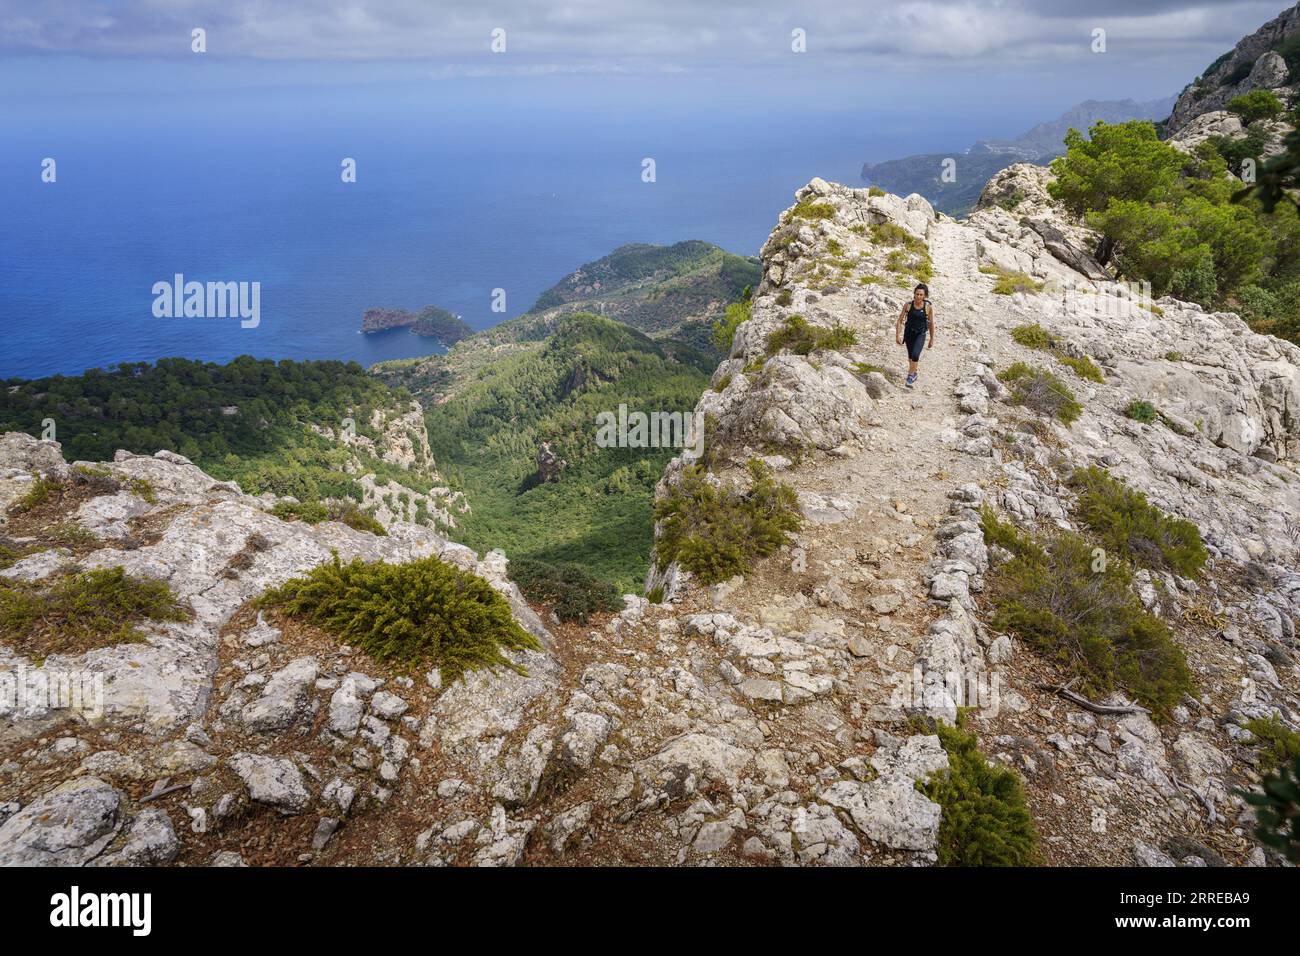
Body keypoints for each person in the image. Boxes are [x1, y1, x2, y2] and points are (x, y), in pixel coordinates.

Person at [895, 283, 934, 388]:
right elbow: (899, 321)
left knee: (916, 355)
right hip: (909, 333)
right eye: (917, 294)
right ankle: (914, 372)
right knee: (911, 357)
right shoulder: (908, 305)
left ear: (924, 296)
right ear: (914, 294)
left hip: (920, 334)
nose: (919, 297)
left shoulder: (928, 307)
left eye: (921, 295)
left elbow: (931, 323)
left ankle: (910, 376)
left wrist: (931, 339)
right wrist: (897, 335)